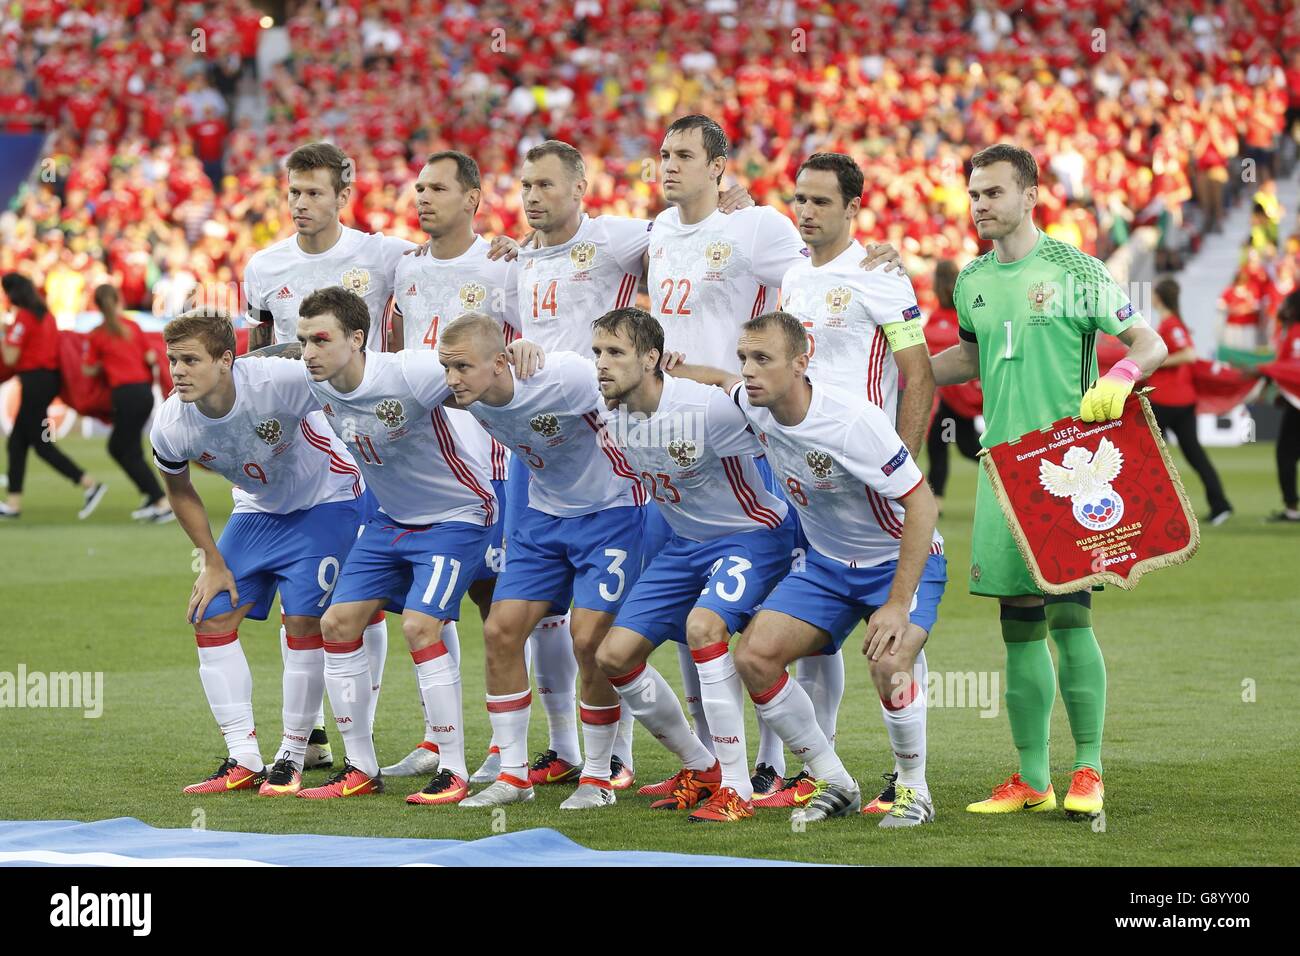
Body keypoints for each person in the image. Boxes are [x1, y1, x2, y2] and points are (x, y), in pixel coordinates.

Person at [645, 118, 908, 800]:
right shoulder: (653, 232)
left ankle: (788, 762)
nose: (668, 166)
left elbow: (824, 261)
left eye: (684, 156)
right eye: (663, 155)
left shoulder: (761, 229)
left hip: (778, 438)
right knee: (704, 611)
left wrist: (870, 253)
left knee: (797, 612)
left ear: (720, 165)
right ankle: (722, 760)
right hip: (691, 434)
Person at [929, 144, 1167, 820]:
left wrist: (1122, 377)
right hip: (1002, 476)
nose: (980, 205)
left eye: (993, 193)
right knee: (1017, 626)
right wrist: (894, 360)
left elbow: (1149, 344)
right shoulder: (971, 279)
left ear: (1030, 194)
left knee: (1070, 616)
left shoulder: (1076, 270)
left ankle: (1088, 768)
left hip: (1070, 472)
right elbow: (967, 360)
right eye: (973, 194)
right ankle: (1033, 779)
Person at [668, 311, 946, 827]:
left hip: (898, 560)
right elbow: (721, 381)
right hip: (827, 566)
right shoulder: (756, 403)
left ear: (800, 364)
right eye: (745, 358)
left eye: (762, 359)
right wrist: (664, 370)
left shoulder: (852, 421)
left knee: (890, 663)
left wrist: (895, 603)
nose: (749, 371)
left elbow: (923, 505)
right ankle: (833, 780)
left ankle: (914, 788)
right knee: (755, 657)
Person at [384, 149, 581, 789]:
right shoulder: (402, 267)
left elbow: (531, 346)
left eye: (438, 188)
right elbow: (392, 352)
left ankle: (552, 744)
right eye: (418, 188)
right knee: (429, 605)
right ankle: (438, 740)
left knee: (507, 601)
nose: (422, 198)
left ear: (472, 198)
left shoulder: (507, 264)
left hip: (493, 459)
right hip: (419, 458)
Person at [242, 142, 416, 769]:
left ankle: (357, 739)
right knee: (304, 594)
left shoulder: (382, 255)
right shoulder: (263, 266)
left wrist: (505, 248)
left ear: (344, 196)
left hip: (367, 442)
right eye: (294, 192)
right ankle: (310, 735)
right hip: (296, 450)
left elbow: (455, 262)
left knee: (360, 595)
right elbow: (260, 351)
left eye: (316, 192)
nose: (302, 204)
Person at [590, 307, 798, 824]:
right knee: (613, 656)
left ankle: (738, 788)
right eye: (597, 352)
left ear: (652, 358)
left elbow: (777, 422)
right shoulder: (612, 415)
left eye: (615, 353)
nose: (601, 364)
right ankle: (701, 766)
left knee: (703, 628)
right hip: (685, 545)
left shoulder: (706, 409)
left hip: (751, 537)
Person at [149, 310, 365, 796]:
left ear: (226, 361)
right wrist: (211, 560)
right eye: (172, 361)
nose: (177, 371)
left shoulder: (278, 382)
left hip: (327, 498)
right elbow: (179, 490)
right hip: (256, 510)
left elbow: (347, 384)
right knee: (211, 617)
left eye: (189, 360)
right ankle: (242, 757)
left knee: (305, 624)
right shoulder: (170, 423)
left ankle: (291, 754)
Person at [436, 314, 646, 809]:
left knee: (590, 640)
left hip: (611, 512)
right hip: (542, 517)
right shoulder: (457, 386)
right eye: (446, 368)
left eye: (462, 366)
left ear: (502, 361)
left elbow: (612, 381)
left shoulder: (560, 376)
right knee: (500, 631)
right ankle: (513, 776)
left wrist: (543, 351)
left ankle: (597, 778)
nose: (451, 380)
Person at [1, 272, 105, 520]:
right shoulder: (45, 316)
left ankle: (89, 483)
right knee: (17, 443)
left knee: (40, 445)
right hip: (46, 380)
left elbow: (11, 358)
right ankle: (13, 504)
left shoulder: (23, 319)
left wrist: (5, 333)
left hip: (35, 381)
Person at [83, 284, 172, 523]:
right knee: (131, 449)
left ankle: (161, 500)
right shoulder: (132, 326)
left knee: (118, 448)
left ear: (98, 305)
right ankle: (152, 497)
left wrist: (105, 363)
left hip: (125, 395)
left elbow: (87, 369)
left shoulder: (97, 334)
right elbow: (150, 357)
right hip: (143, 393)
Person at [1147, 277, 1233, 525]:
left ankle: (1157, 512)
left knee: (1148, 457)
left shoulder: (1172, 325)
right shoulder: (1170, 323)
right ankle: (1220, 505)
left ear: (1159, 297)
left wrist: (1157, 360)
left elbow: (1188, 354)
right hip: (1180, 401)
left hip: (1166, 401)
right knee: (1193, 454)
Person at [923, 260, 983, 510]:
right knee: (940, 441)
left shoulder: (956, 316)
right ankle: (935, 500)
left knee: (966, 446)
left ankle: (1005, 468)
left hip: (965, 396)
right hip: (954, 400)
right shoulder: (952, 313)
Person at [1269, 289, 1300, 522]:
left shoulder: (1295, 333)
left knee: (1285, 455)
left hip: (1297, 405)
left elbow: (1289, 368)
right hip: (1293, 400)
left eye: (1287, 304)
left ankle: (1291, 508)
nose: (1283, 309)